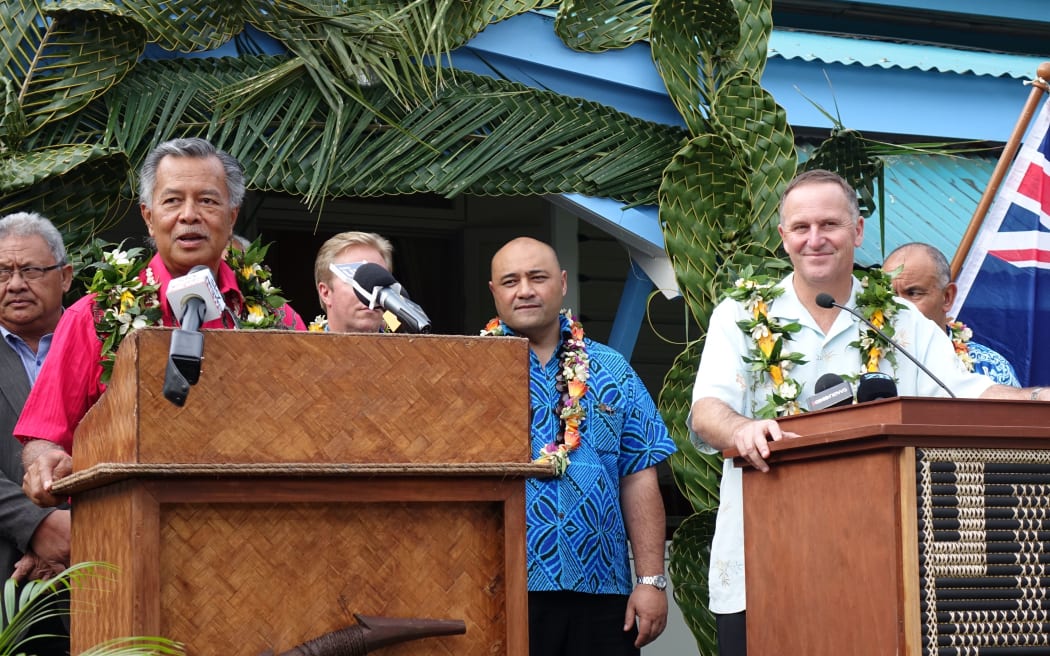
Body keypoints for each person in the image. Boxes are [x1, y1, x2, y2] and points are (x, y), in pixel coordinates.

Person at [690, 169, 1048, 655]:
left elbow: (965, 392)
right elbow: (708, 411)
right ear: (783, 237)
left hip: (881, 567)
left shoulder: (899, 319)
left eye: (830, 225)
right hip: (764, 559)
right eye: (801, 227)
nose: (815, 239)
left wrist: (1037, 399)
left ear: (857, 231)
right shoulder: (738, 315)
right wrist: (744, 427)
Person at [19, 137, 306, 512]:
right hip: (130, 534)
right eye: (172, 201)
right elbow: (43, 437)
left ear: (231, 216)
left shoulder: (279, 320)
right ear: (149, 218)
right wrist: (46, 463)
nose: (190, 215)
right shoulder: (94, 317)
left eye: (207, 200)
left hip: (258, 531)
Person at [485, 237, 676, 655]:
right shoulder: (471, 371)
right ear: (494, 292)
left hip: (602, 590)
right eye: (510, 280)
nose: (525, 290)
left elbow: (640, 478)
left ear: (563, 282)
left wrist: (650, 581)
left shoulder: (612, 370)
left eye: (538, 277)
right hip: (499, 587)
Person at [0, 212, 73, 655]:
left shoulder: (109, 338)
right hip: (10, 577)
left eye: (29, 270)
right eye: (3, 272)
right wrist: (38, 525)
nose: (14, 284)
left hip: (109, 563)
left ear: (64, 276)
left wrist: (80, 527)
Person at [883, 242, 1020, 386]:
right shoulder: (866, 359)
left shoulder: (991, 370)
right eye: (889, 295)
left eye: (913, 294)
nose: (899, 306)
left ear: (947, 297)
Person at [312, 231, 395, 333]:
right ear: (326, 293)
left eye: (378, 281)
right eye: (357, 280)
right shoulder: (298, 349)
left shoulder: (405, 348)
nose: (371, 291)